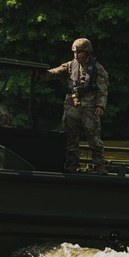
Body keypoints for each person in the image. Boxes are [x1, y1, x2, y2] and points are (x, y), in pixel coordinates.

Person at [36, 38, 109, 173]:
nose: (76, 55)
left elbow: (102, 89)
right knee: (70, 137)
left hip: (90, 107)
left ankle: (99, 165)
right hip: (71, 105)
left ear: (87, 52)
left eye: (79, 52)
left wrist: (100, 105)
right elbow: (54, 73)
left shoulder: (98, 69)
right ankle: (72, 164)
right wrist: (39, 74)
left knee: (93, 138)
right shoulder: (70, 66)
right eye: (75, 52)